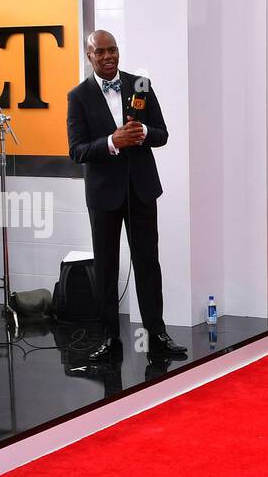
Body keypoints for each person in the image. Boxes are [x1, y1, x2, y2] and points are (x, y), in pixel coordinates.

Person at [66, 30, 185, 362]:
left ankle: (157, 335)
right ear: (89, 56)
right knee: (106, 267)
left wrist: (143, 132)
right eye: (100, 51)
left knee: (148, 263)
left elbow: (161, 133)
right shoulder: (78, 96)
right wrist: (112, 142)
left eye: (113, 50)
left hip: (141, 189)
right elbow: (76, 151)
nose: (108, 56)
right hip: (103, 194)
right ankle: (108, 338)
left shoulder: (140, 84)